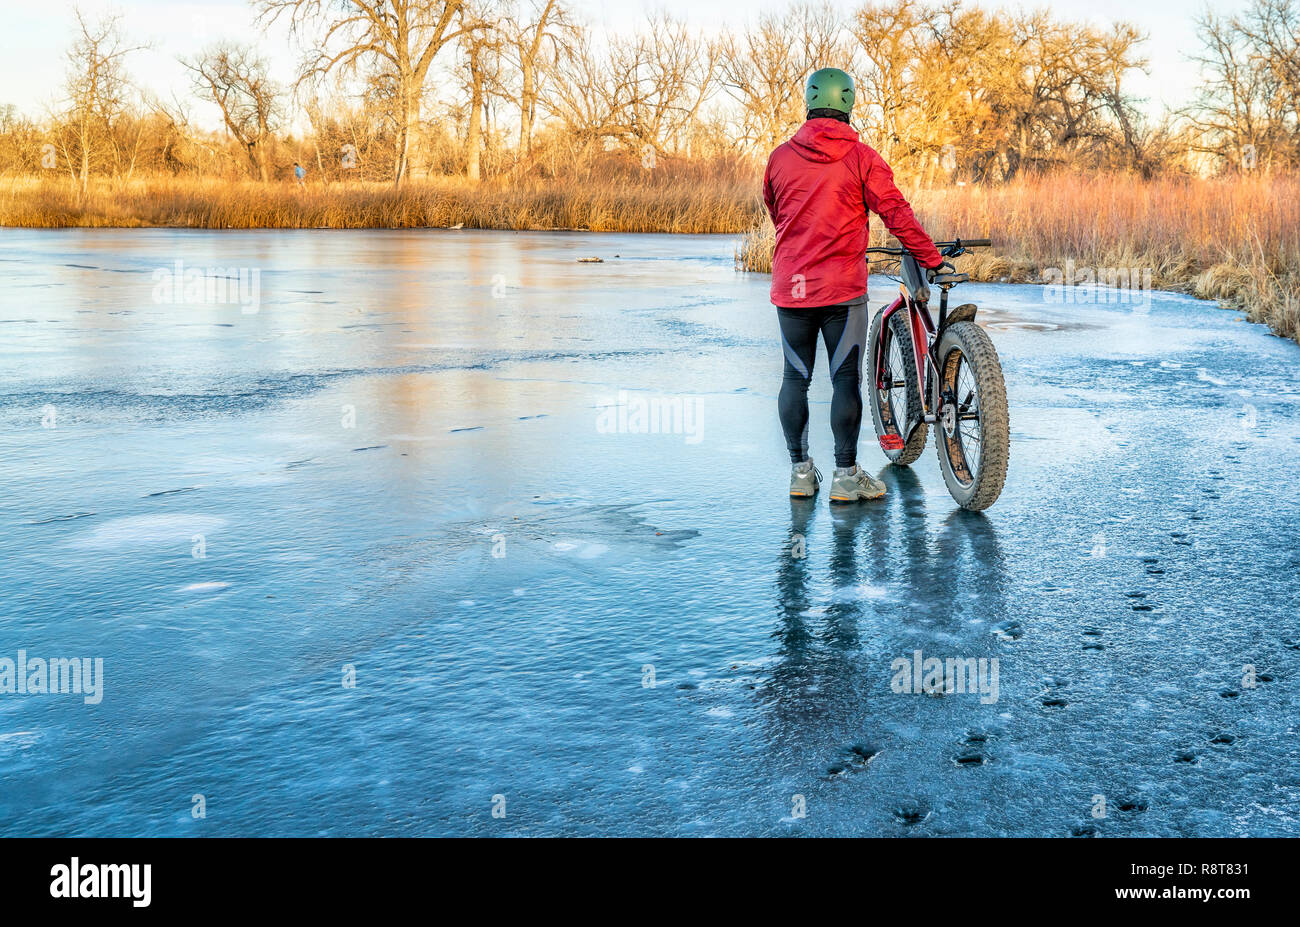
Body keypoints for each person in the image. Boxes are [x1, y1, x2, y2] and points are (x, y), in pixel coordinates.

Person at [763, 68, 944, 503]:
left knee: (795, 377)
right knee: (845, 380)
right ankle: (846, 477)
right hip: (842, 292)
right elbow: (896, 213)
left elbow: (775, 209)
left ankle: (801, 474)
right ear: (848, 103)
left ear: (809, 102)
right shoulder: (863, 158)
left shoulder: (780, 157)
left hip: (793, 288)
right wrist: (931, 259)